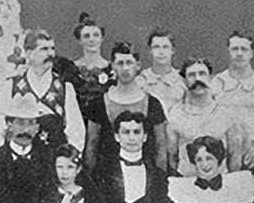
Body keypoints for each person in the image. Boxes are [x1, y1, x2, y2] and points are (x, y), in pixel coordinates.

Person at [0, 29, 86, 154]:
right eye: (44, 49)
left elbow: (76, 132)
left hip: (53, 161)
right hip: (18, 162)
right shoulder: (11, 86)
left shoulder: (65, 88)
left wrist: (68, 162)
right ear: (28, 53)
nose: (50, 54)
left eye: (52, 49)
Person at [83, 41, 167, 173]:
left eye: (129, 63)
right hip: (107, 179)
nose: (125, 68)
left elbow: (160, 149)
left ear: (138, 65)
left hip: (145, 177)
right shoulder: (98, 104)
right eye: (120, 63)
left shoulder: (153, 104)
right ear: (113, 66)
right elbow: (91, 148)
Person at [209, 31, 254, 173]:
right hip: (221, 158)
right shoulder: (215, 84)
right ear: (228, 51)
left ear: (251, 53)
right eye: (235, 49)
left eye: (244, 49)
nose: (239, 53)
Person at [166, 57, 229, 176]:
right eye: (191, 75)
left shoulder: (225, 114)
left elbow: (234, 159)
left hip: (221, 187)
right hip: (187, 186)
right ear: (184, 80)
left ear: (211, 77)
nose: (197, 79)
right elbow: (172, 158)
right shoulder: (175, 115)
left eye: (202, 74)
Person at [69, 12, 114, 109]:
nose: (91, 40)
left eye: (96, 35)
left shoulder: (111, 69)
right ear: (80, 41)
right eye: (86, 36)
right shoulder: (72, 69)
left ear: (101, 38)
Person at [137, 29, 186, 116]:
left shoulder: (183, 81)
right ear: (150, 51)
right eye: (156, 47)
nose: (161, 52)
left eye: (165, 47)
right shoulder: (140, 81)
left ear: (172, 51)